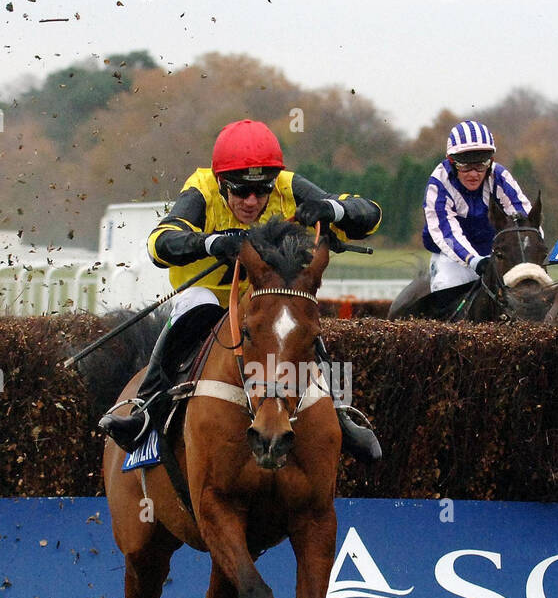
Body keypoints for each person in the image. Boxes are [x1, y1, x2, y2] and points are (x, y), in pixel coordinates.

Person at [99, 118, 383, 462]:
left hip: (262, 301)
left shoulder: (288, 186)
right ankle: (144, 411)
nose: (251, 201)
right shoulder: (201, 189)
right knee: (194, 308)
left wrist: (332, 208)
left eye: (262, 190)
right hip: (208, 299)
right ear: (221, 183)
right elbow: (159, 244)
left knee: (304, 330)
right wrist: (212, 242)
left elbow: (370, 215)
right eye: (240, 191)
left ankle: (341, 414)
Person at [421, 120, 534, 310]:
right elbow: (447, 234)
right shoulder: (438, 183)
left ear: (490, 162)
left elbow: (525, 218)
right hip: (452, 257)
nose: (473, 174)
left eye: (481, 165)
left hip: (493, 253)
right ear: (451, 162)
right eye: (465, 166)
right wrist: (474, 261)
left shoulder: (499, 176)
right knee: (447, 284)